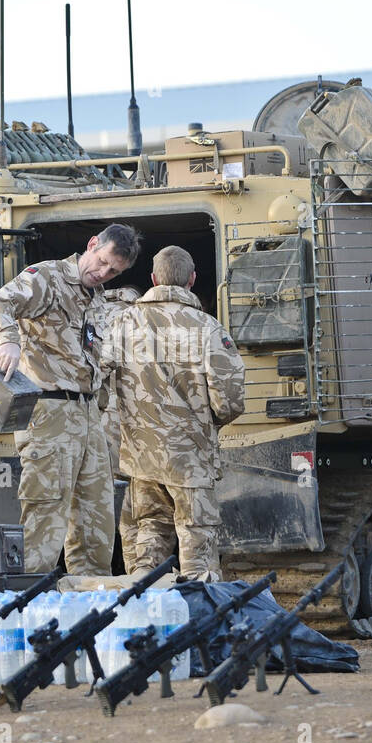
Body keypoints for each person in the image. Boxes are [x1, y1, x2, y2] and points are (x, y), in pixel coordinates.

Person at [0, 223, 142, 575]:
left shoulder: (96, 299)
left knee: (95, 516)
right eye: (102, 262)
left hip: (86, 414)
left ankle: (91, 601)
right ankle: (32, 597)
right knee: (46, 513)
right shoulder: (47, 278)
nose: (103, 273)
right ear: (92, 243)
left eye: (114, 271)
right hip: (49, 412)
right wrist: (8, 340)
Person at [101, 245, 246, 582]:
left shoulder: (120, 325)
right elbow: (230, 400)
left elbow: (98, 383)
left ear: (153, 279)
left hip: (141, 458)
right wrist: (208, 423)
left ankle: (145, 614)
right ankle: (200, 623)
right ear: (192, 280)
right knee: (198, 552)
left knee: (148, 543)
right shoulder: (208, 328)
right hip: (191, 460)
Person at [97, 285, 143, 569]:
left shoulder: (89, 313)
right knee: (138, 513)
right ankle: (138, 575)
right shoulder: (142, 318)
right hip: (139, 429)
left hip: (99, 426)